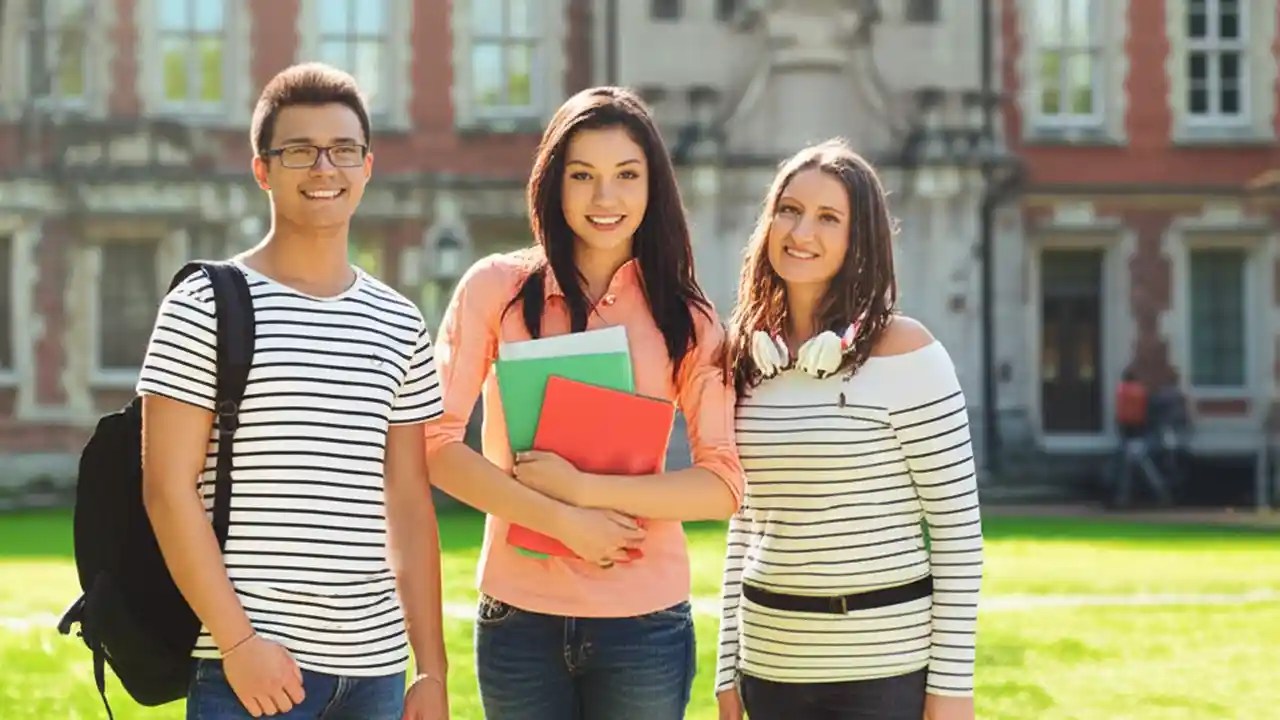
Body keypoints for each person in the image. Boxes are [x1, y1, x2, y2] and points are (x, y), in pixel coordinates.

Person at [138, 63, 449, 719]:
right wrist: (239, 640)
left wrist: (431, 668)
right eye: (299, 151)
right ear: (262, 170)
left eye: (342, 150)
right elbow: (167, 489)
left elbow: (410, 505)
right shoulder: (204, 303)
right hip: (250, 671)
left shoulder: (400, 322)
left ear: (367, 167)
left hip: (377, 674)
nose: (323, 168)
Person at [423, 86, 744, 720]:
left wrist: (585, 490)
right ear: (553, 182)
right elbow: (433, 444)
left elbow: (722, 486)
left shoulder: (689, 318)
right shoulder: (497, 290)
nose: (605, 198)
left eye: (627, 175)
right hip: (519, 620)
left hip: (645, 624)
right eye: (583, 175)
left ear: (653, 187)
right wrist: (561, 519)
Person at [714, 139, 983, 720]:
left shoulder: (911, 354)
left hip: (883, 673)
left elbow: (958, 535)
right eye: (788, 209)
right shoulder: (748, 356)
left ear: (858, 239)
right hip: (769, 666)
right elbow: (745, 524)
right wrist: (725, 668)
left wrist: (951, 689)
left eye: (827, 217)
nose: (800, 231)